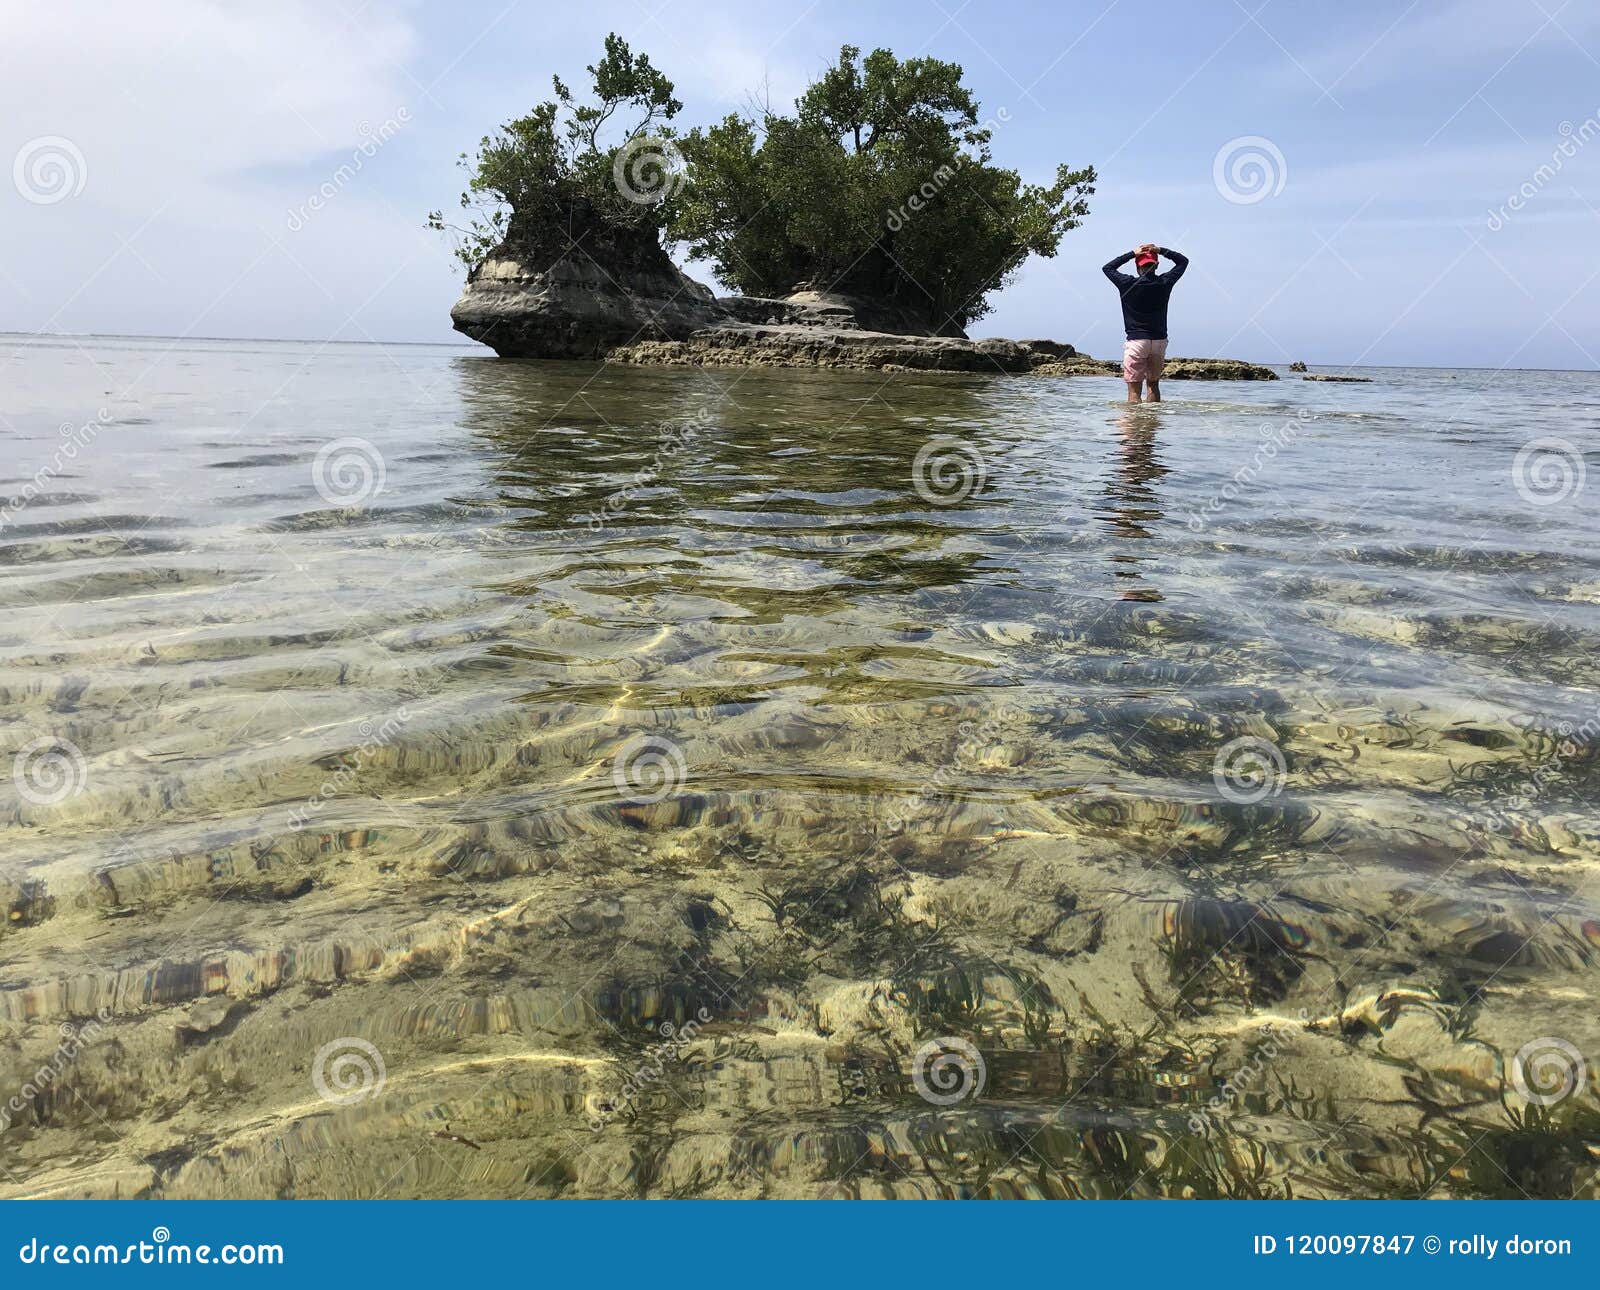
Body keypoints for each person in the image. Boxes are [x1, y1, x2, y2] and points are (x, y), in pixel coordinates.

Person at [1102, 243, 1188, 403]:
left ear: (1137, 266)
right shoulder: (1165, 282)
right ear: (1156, 265)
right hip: (1159, 340)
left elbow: (1108, 268)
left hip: (1137, 341)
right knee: (1153, 385)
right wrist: (1161, 251)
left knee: (1134, 390)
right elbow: (1183, 261)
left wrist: (1131, 253)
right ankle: (1151, 424)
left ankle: (1136, 425)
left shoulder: (1126, 283)